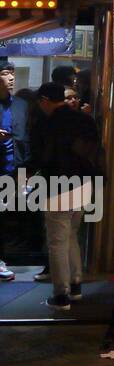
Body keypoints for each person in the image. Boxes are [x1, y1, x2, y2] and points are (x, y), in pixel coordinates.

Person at [29, 82, 103, 311]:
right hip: (83, 185)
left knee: (57, 241)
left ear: (44, 101)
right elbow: (95, 152)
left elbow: (41, 158)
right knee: (72, 235)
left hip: (58, 187)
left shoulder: (46, 124)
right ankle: (76, 285)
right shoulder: (84, 120)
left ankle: (61, 295)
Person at [0, 59, 30, 282]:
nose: (11, 78)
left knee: (6, 218)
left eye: (12, 73)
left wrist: (26, 170)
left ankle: (2, 260)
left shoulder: (21, 105)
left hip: (13, 170)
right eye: (5, 73)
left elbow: (26, 139)